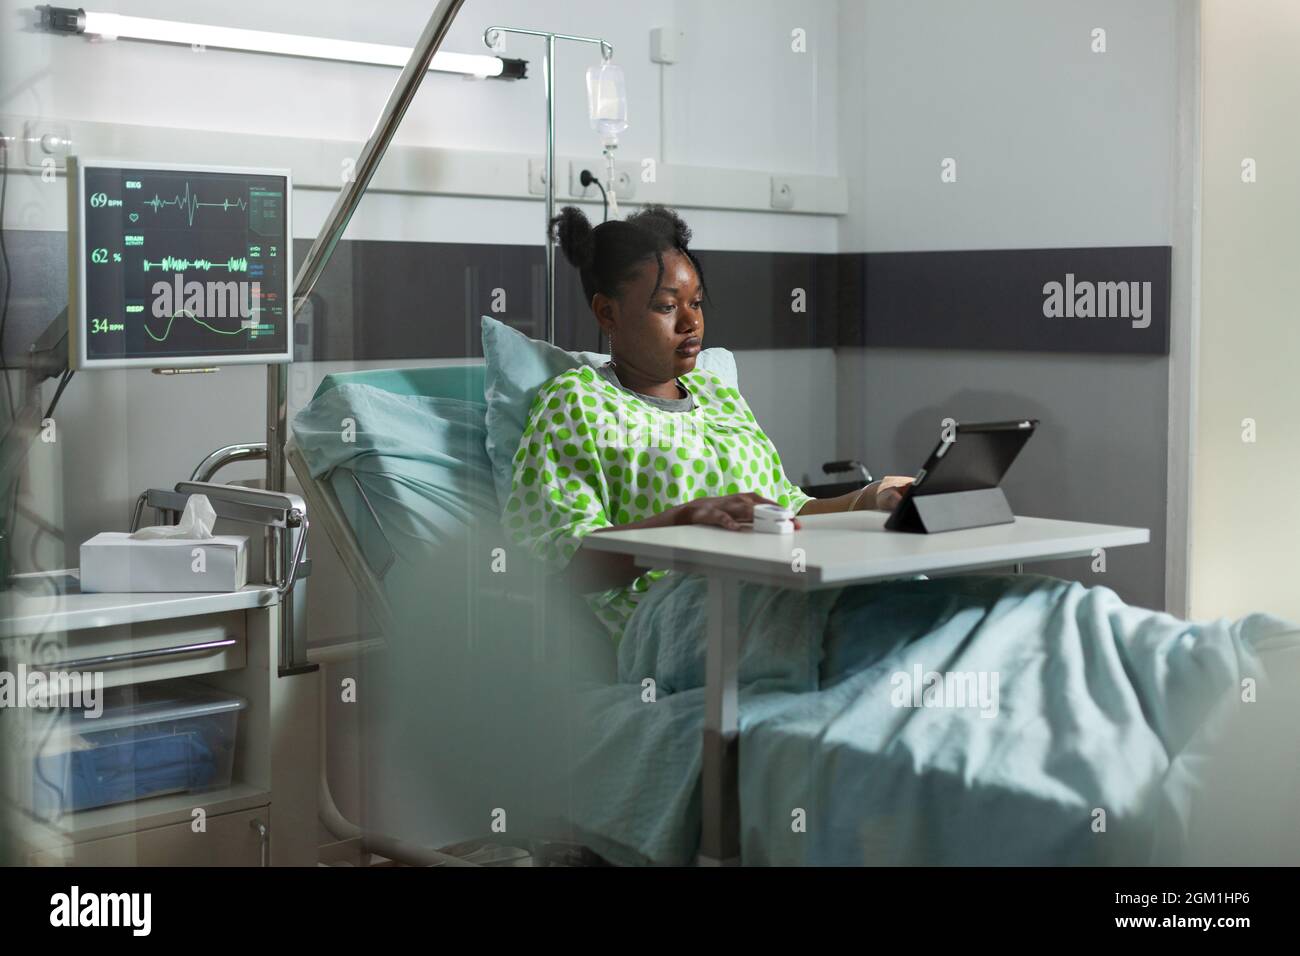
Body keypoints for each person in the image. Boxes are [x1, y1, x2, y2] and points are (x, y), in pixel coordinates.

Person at [502, 204, 911, 640]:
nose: (691, 321)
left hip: (778, 588)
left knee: (951, 609)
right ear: (607, 313)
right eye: (665, 306)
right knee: (889, 633)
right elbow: (563, 564)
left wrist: (870, 499)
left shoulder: (719, 395)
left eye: (695, 303)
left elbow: (784, 509)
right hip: (676, 618)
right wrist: (686, 521)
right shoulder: (578, 402)